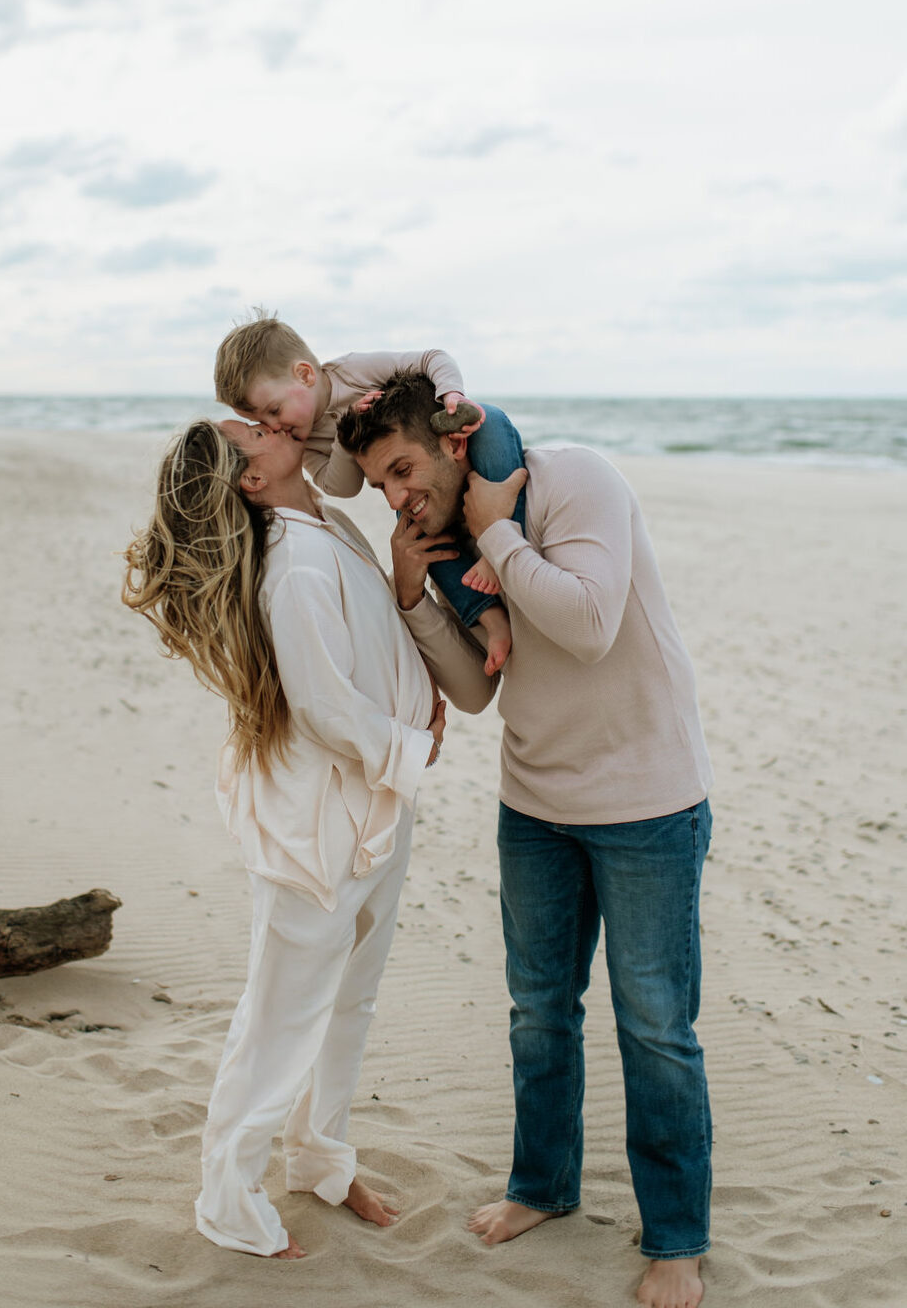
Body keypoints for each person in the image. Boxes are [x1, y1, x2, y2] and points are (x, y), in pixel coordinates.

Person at [336, 373, 714, 1308]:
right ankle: (543, 1186)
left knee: (655, 1027)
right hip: (536, 804)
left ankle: (676, 1239)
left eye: (402, 470)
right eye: (379, 483)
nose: (394, 496)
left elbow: (585, 625)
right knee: (539, 1012)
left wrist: (500, 528)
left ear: (454, 444)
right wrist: (414, 590)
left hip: (646, 800)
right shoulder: (452, 540)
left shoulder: (577, 480)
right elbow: (472, 693)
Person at [122, 417, 493, 1260]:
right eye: (250, 434)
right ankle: (227, 1195)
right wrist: (410, 745)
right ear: (253, 482)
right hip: (321, 821)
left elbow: (365, 642)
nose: (270, 423)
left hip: (378, 806)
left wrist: (403, 590)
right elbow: (321, 704)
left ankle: (319, 1159)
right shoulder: (289, 567)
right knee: (282, 1014)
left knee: (350, 998)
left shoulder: (327, 518)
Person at [213, 309, 528, 676]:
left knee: (490, 420)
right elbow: (341, 487)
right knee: (417, 535)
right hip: (409, 487)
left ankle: (503, 535)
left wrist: (451, 394)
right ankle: (490, 618)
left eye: (274, 410)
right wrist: (345, 439)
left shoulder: (352, 371)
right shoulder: (305, 440)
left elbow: (431, 359)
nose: (275, 427)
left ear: (305, 374)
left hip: (433, 448)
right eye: (261, 423)